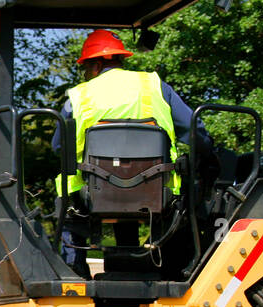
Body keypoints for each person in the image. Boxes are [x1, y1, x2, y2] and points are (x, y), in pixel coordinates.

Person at [51, 29, 210, 276]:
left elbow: (59, 148)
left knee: (69, 197)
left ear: (94, 65)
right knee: (161, 195)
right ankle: (169, 269)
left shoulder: (78, 97)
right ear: (120, 59)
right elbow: (196, 131)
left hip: (93, 196)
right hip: (158, 193)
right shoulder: (156, 87)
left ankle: (75, 269)